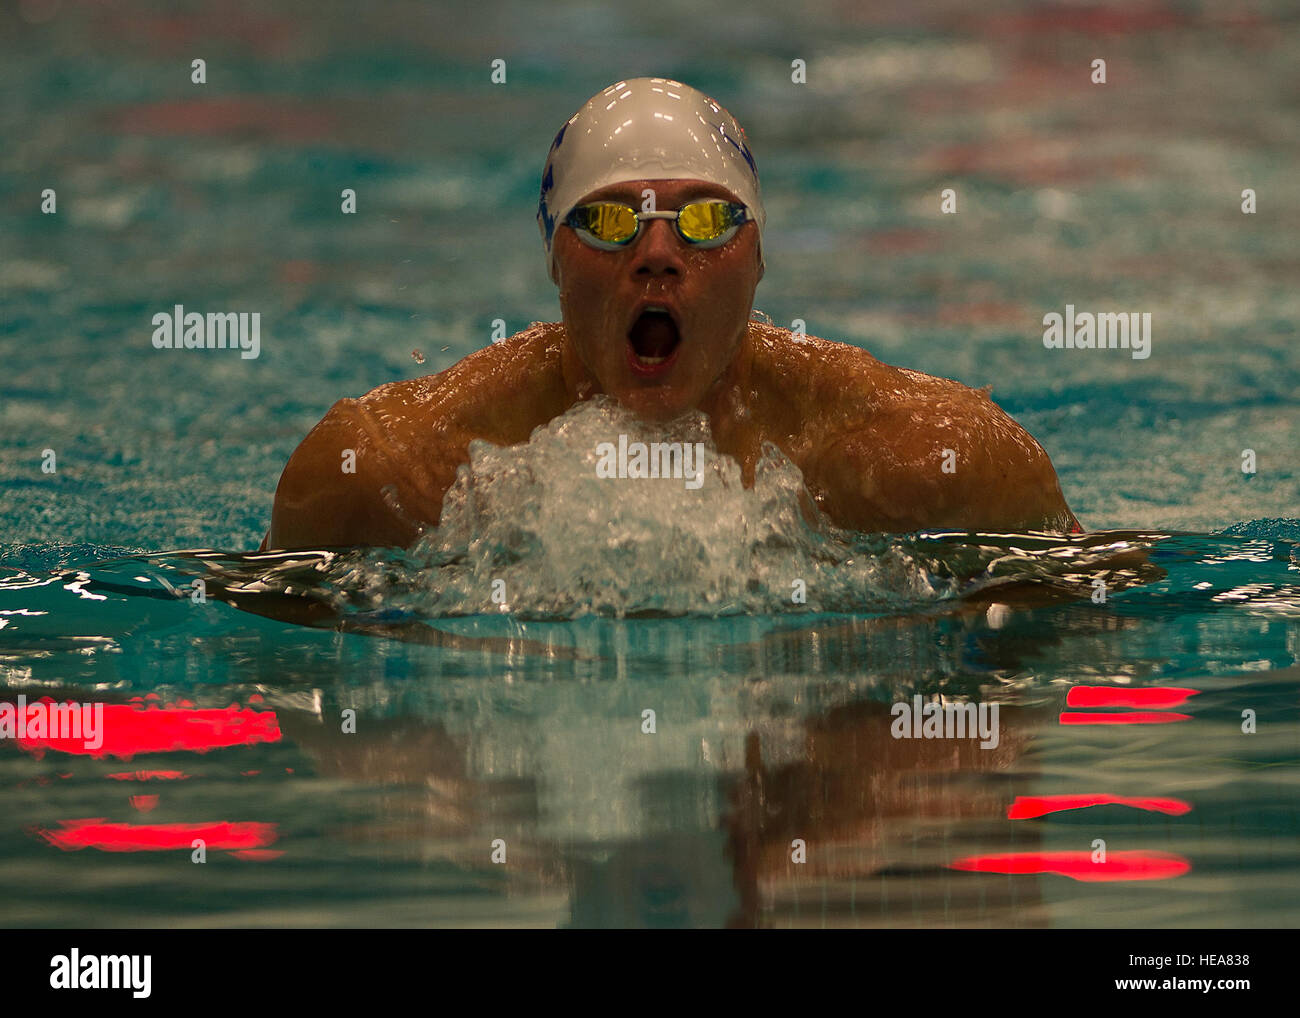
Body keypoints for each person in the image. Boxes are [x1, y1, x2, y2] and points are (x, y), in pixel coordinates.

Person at [261, 77, 1080, 551]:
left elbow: (1079, 644)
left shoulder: (931, 459)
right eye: (610, 221)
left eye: (707, 221)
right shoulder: (384, 475)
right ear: (553, 257)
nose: (657, 252)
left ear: (759, 256)